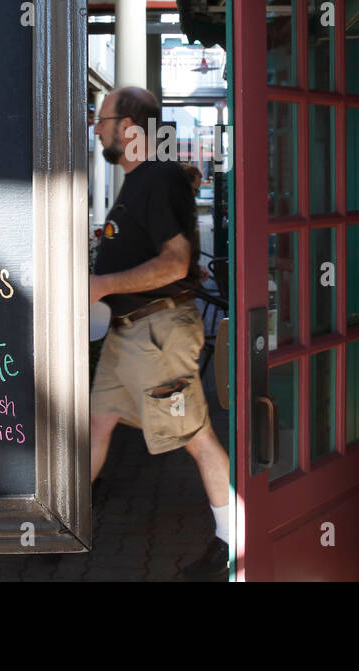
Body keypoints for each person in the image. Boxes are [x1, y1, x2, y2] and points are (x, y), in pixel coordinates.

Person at [89, 86, 231, 581]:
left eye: (102, 119)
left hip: (157, 337)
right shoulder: (139, 180)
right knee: (98, 424)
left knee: (196, 437)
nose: (95, 129)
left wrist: (102, 283)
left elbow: (175, 263)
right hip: (128, 334)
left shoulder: (158, 177)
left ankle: (233, 544)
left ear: (128, 127)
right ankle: (60, 523)